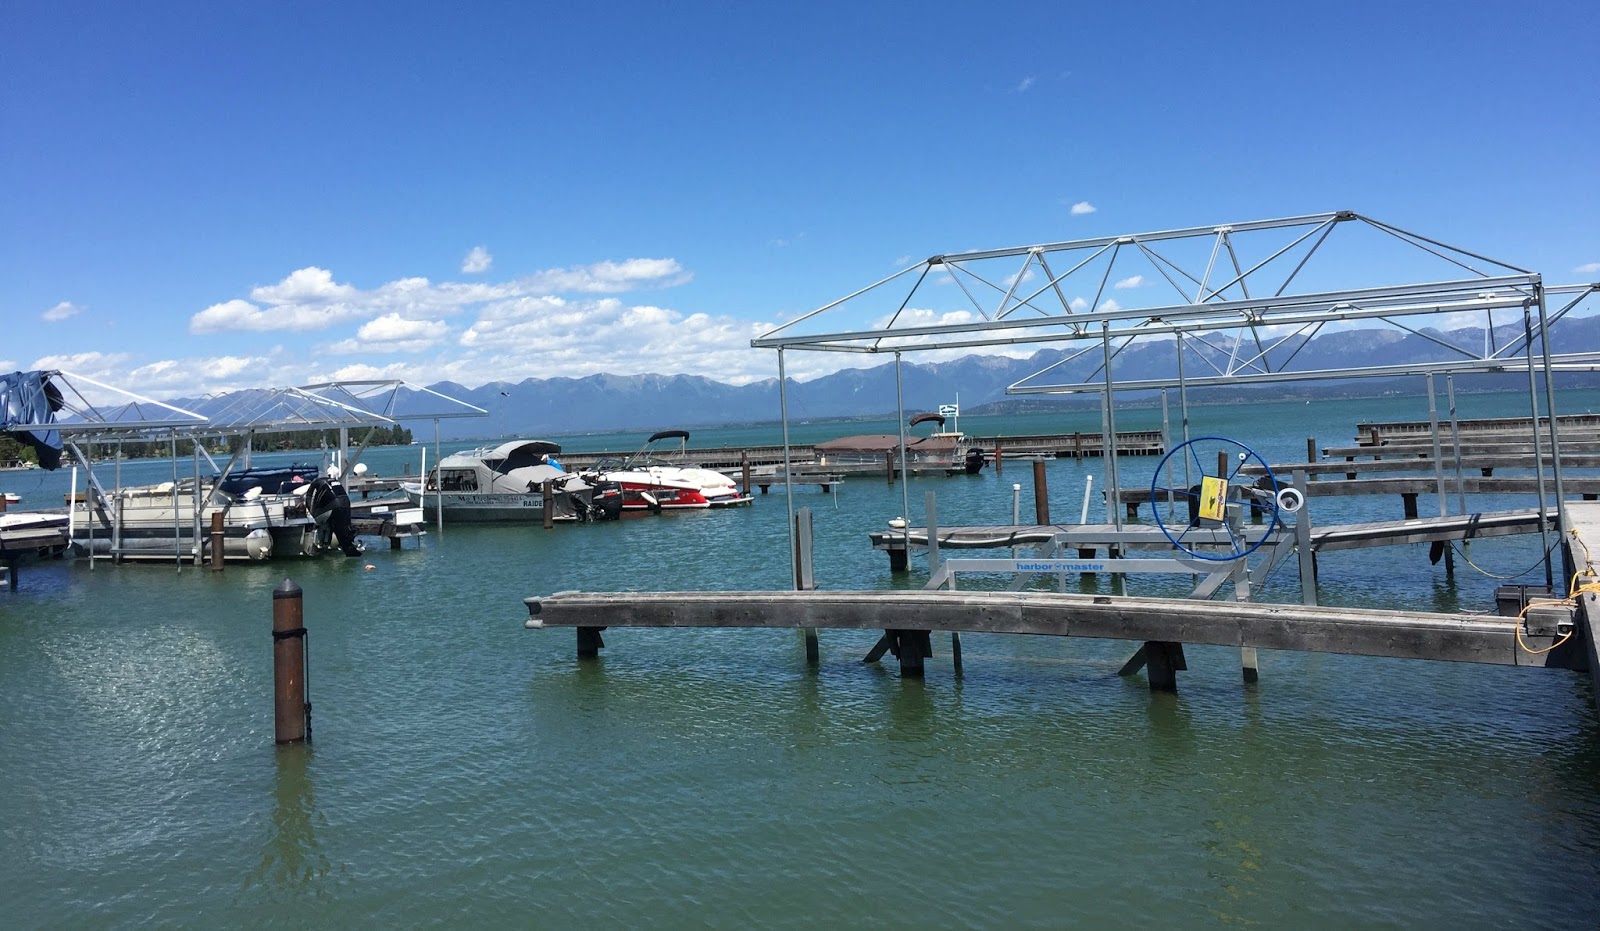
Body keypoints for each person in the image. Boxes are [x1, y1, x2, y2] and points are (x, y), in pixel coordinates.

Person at [307, 466, 362, 557]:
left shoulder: (317, 483)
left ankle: (323, 544)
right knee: (344, 527)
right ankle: (349, 545)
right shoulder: (335, 482)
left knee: (328, 524)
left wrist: (312, 512)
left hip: (333, 507)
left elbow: (309, 496)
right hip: (345, 503)